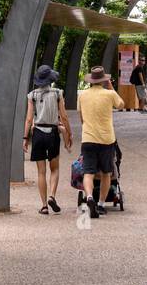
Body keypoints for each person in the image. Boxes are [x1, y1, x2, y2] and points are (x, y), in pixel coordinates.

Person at [23, 64, 72, 214]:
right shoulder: (58, 93)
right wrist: (68, 134)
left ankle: (44, 205)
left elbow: (29, 119)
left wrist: (25, 138)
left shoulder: (32, 95)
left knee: (41, 172)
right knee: (55, 168)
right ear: (50, 79)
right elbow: (63, 116)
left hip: (38, 133)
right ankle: (52, 196)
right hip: (52, 133)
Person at [77, 66, 124, 218]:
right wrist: (110, 86)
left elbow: (82, 118)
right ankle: (101, 204)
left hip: (88, 138)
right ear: (104, 80)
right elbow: (122, 105)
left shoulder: (82, 95)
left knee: (88, 172)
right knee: (106, 173)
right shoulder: (109, 94)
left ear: (91, 81)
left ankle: (89, 196)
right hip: (106, 139)